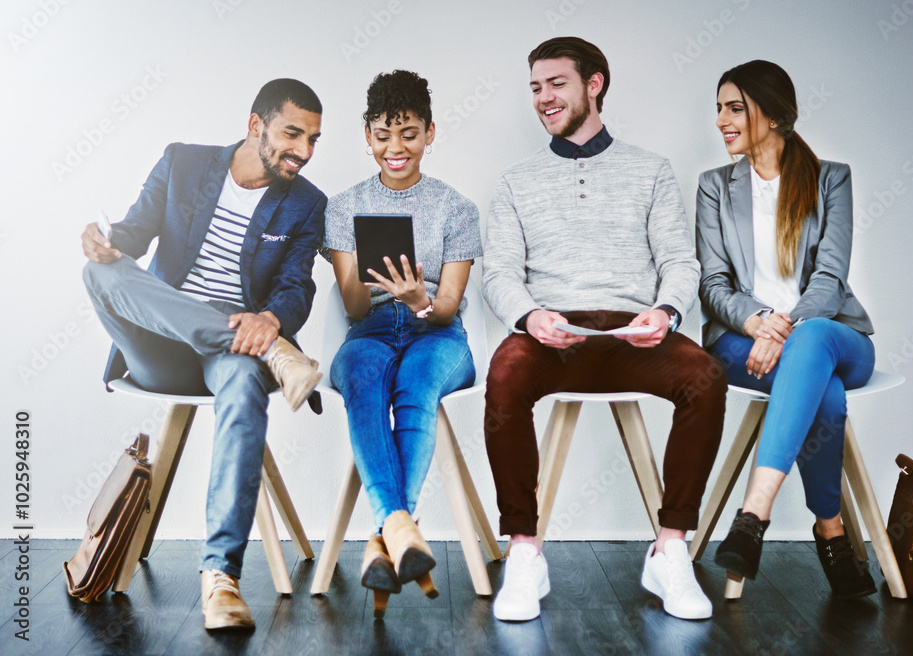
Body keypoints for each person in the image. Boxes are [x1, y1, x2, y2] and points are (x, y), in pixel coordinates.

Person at [482, 36, 726, 622]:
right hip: (551, 335)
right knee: (505, 375)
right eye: (536, 87)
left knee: (706, 376)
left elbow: (679, 262)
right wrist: (530, 316)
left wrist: (665, 314)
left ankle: (670, 548)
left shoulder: (651, 171)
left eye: (556, 83)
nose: (543, 98)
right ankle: (524, 552)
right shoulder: (517, 182)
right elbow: (499, 273)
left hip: (634, 333)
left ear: (594, 85)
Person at [81, 79, 327, 629]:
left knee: (242, 382)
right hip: (161, 341)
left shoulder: (307, 203)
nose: (303, 151)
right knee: (98, 271)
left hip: (241, 344)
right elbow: (134, 235)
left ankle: (221, 577)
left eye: (313, 140)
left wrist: (271, 321)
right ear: (255, 124)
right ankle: (281, 356)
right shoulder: (183, 163)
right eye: (293, 133)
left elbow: (296, 286)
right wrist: (105, 239)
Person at [696, 60, 877, 597]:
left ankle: (753, 514)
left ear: (773, 115)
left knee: (813, 342)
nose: (722, 121)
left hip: (832, 335)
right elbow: (712, 283)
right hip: (740, 340)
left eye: (735, 108)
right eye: (719, 109)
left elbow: (830, 278)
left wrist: (785, 328)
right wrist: (756, 323)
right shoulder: (714, 187)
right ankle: (832, 532)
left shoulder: (830, 178)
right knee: (823, 391)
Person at [323, 70, 482, 618]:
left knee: (416, 387)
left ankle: (385, 531)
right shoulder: (343, 207)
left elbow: (449, 306)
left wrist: (418, 299)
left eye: (409, 134)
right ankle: (400, 532)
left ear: (430, 133)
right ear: (367, 135)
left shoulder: (457, 208)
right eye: (384, 135)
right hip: (370, 329)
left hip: (437, 333)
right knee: (364, 380)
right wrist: (362, 280)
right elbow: (353, 309)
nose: (396, 148)